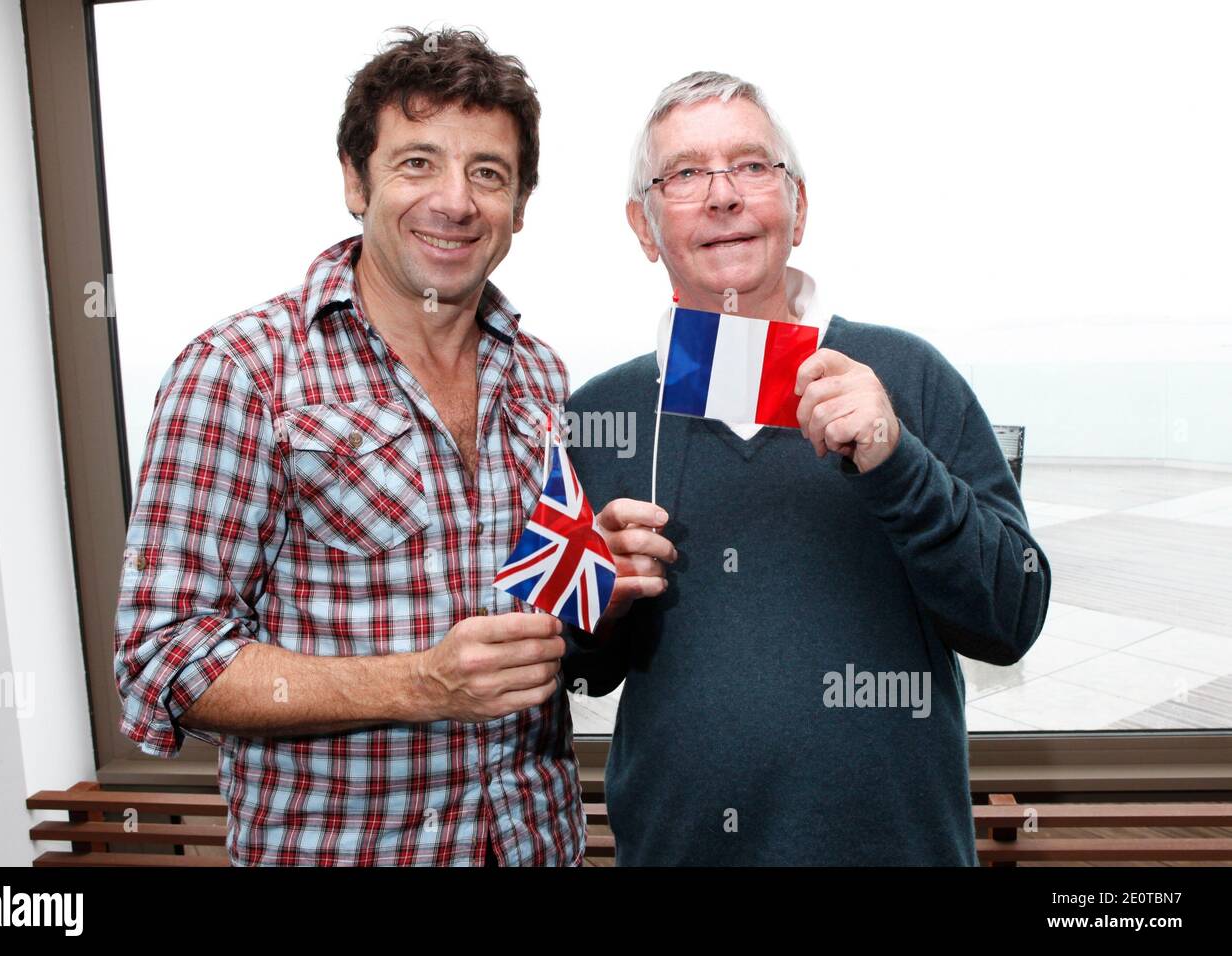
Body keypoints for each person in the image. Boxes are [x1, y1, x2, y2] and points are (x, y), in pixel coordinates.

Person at [114, 27, 583, 866]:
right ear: (353, 179)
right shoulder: (242, 369)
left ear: (520, 205)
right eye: (417, 163)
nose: (455, 200)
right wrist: (419, 686)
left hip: (534, 845)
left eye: (489, 173)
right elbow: (165, 657)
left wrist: (602, 586)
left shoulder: (541, 376)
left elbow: (541, 613)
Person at [564, 71, 1052, 865]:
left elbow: (1012, 619)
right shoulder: (594, 414)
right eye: (686, 174)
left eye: (752, 166)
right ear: (644, 226)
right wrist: (596, 601)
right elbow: (565, 668)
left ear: (799, 206)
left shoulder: (912, 373)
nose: (723, 195)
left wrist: (900, 462)